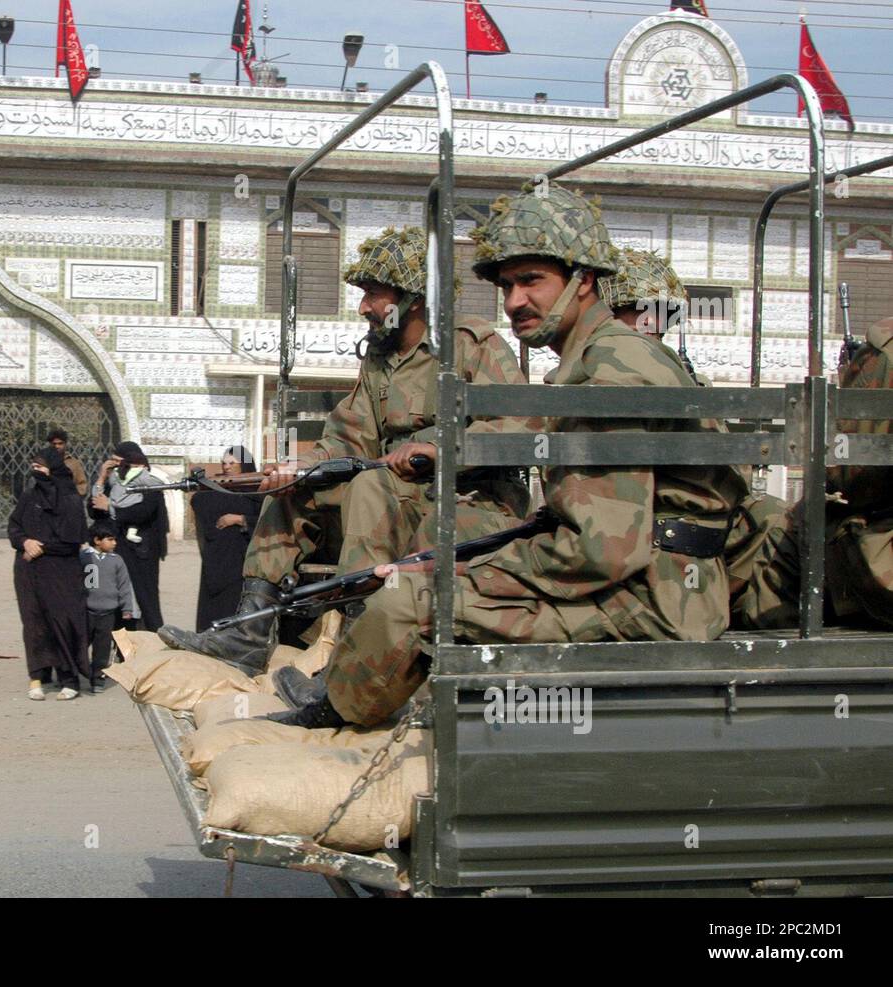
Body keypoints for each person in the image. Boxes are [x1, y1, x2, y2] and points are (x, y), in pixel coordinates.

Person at [271, 182, 748, 729]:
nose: (515, 300)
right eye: (506, 284)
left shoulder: (611, 369)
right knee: (424, 574)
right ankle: (348, 694)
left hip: (651, 600)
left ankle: (336, 720)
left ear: (584, 280)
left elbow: (602, 552)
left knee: (414, 600)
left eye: (531, 280)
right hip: (654, 583)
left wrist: (470, 566)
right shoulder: (601, 357)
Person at [157, 225, 529, 674]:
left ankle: (355, 650)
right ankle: (249, 634)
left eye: (374, 293)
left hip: (469, 497)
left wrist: (438, 448)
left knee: (371, 486)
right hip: (397, 494)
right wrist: (301, 466)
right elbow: (348, 439)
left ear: (414, 297)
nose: (364, 307)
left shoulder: (471, 344)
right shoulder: (379, 360)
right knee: (295, 490)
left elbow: (518, 428)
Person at [598, 248, 792, 617]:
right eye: (639, 312)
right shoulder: (604, 374)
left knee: (773, 517)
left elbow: (733, 478)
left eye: (660, 315)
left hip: (704, 529)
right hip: (645, 534)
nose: (651, 325)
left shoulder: (687, 382)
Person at [736, 316, 893, 630]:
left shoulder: (885, 350)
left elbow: (845, 474)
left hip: (882, 570)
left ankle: (783, 667)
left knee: (789, 528)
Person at [9, 447, 91, 701]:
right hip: (29, 571)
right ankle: (37, 676)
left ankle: (69, 678)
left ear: (54, 469)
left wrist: (40, 547)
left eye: (41, 466)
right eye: (33, 466)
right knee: (34, 623)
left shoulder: (70, 500)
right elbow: (14, 525)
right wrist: (24, 542)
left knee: (62, 621)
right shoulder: (29, 496)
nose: (36, 471)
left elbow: (73, 540)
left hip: (61, 572)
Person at [91, 441, 168, 632]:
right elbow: (94, 510)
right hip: (118, 549)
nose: (116, 465)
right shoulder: (114, 482)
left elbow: (142, 513)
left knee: (145, 598)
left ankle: (154, 644)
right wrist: (102, 478)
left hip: (142, 552)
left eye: (119, 461)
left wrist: (110, 507)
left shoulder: (150, 485)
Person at [191, 446, 261, 631]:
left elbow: (267, 520)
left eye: (232, 463)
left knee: (235, 605)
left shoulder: (257, 489)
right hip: (217, 558)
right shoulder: (218, 486)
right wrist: (203, 482)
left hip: (242, 558)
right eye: (224, 463)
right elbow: (198, 502)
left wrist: (240, 519)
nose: (227, 467)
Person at [81, 521, 138, 691]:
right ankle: (76, 673)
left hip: (108, 613)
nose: (114, 543)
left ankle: (97, 678)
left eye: (115, 539)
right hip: (86, 611)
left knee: (102, 648)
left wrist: (127, 608)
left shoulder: (116, 561)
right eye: (110, 539)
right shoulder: (83, 557)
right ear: (97, 540)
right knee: (80, 644)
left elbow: (124, 586)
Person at [47, 428, 89, 498]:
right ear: (50, 444)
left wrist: (71, 495)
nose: (57, 446)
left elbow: (82, 485)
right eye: (54, 444)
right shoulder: (43, 461)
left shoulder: (74, 463)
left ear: (65, 444)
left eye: (60, 443)